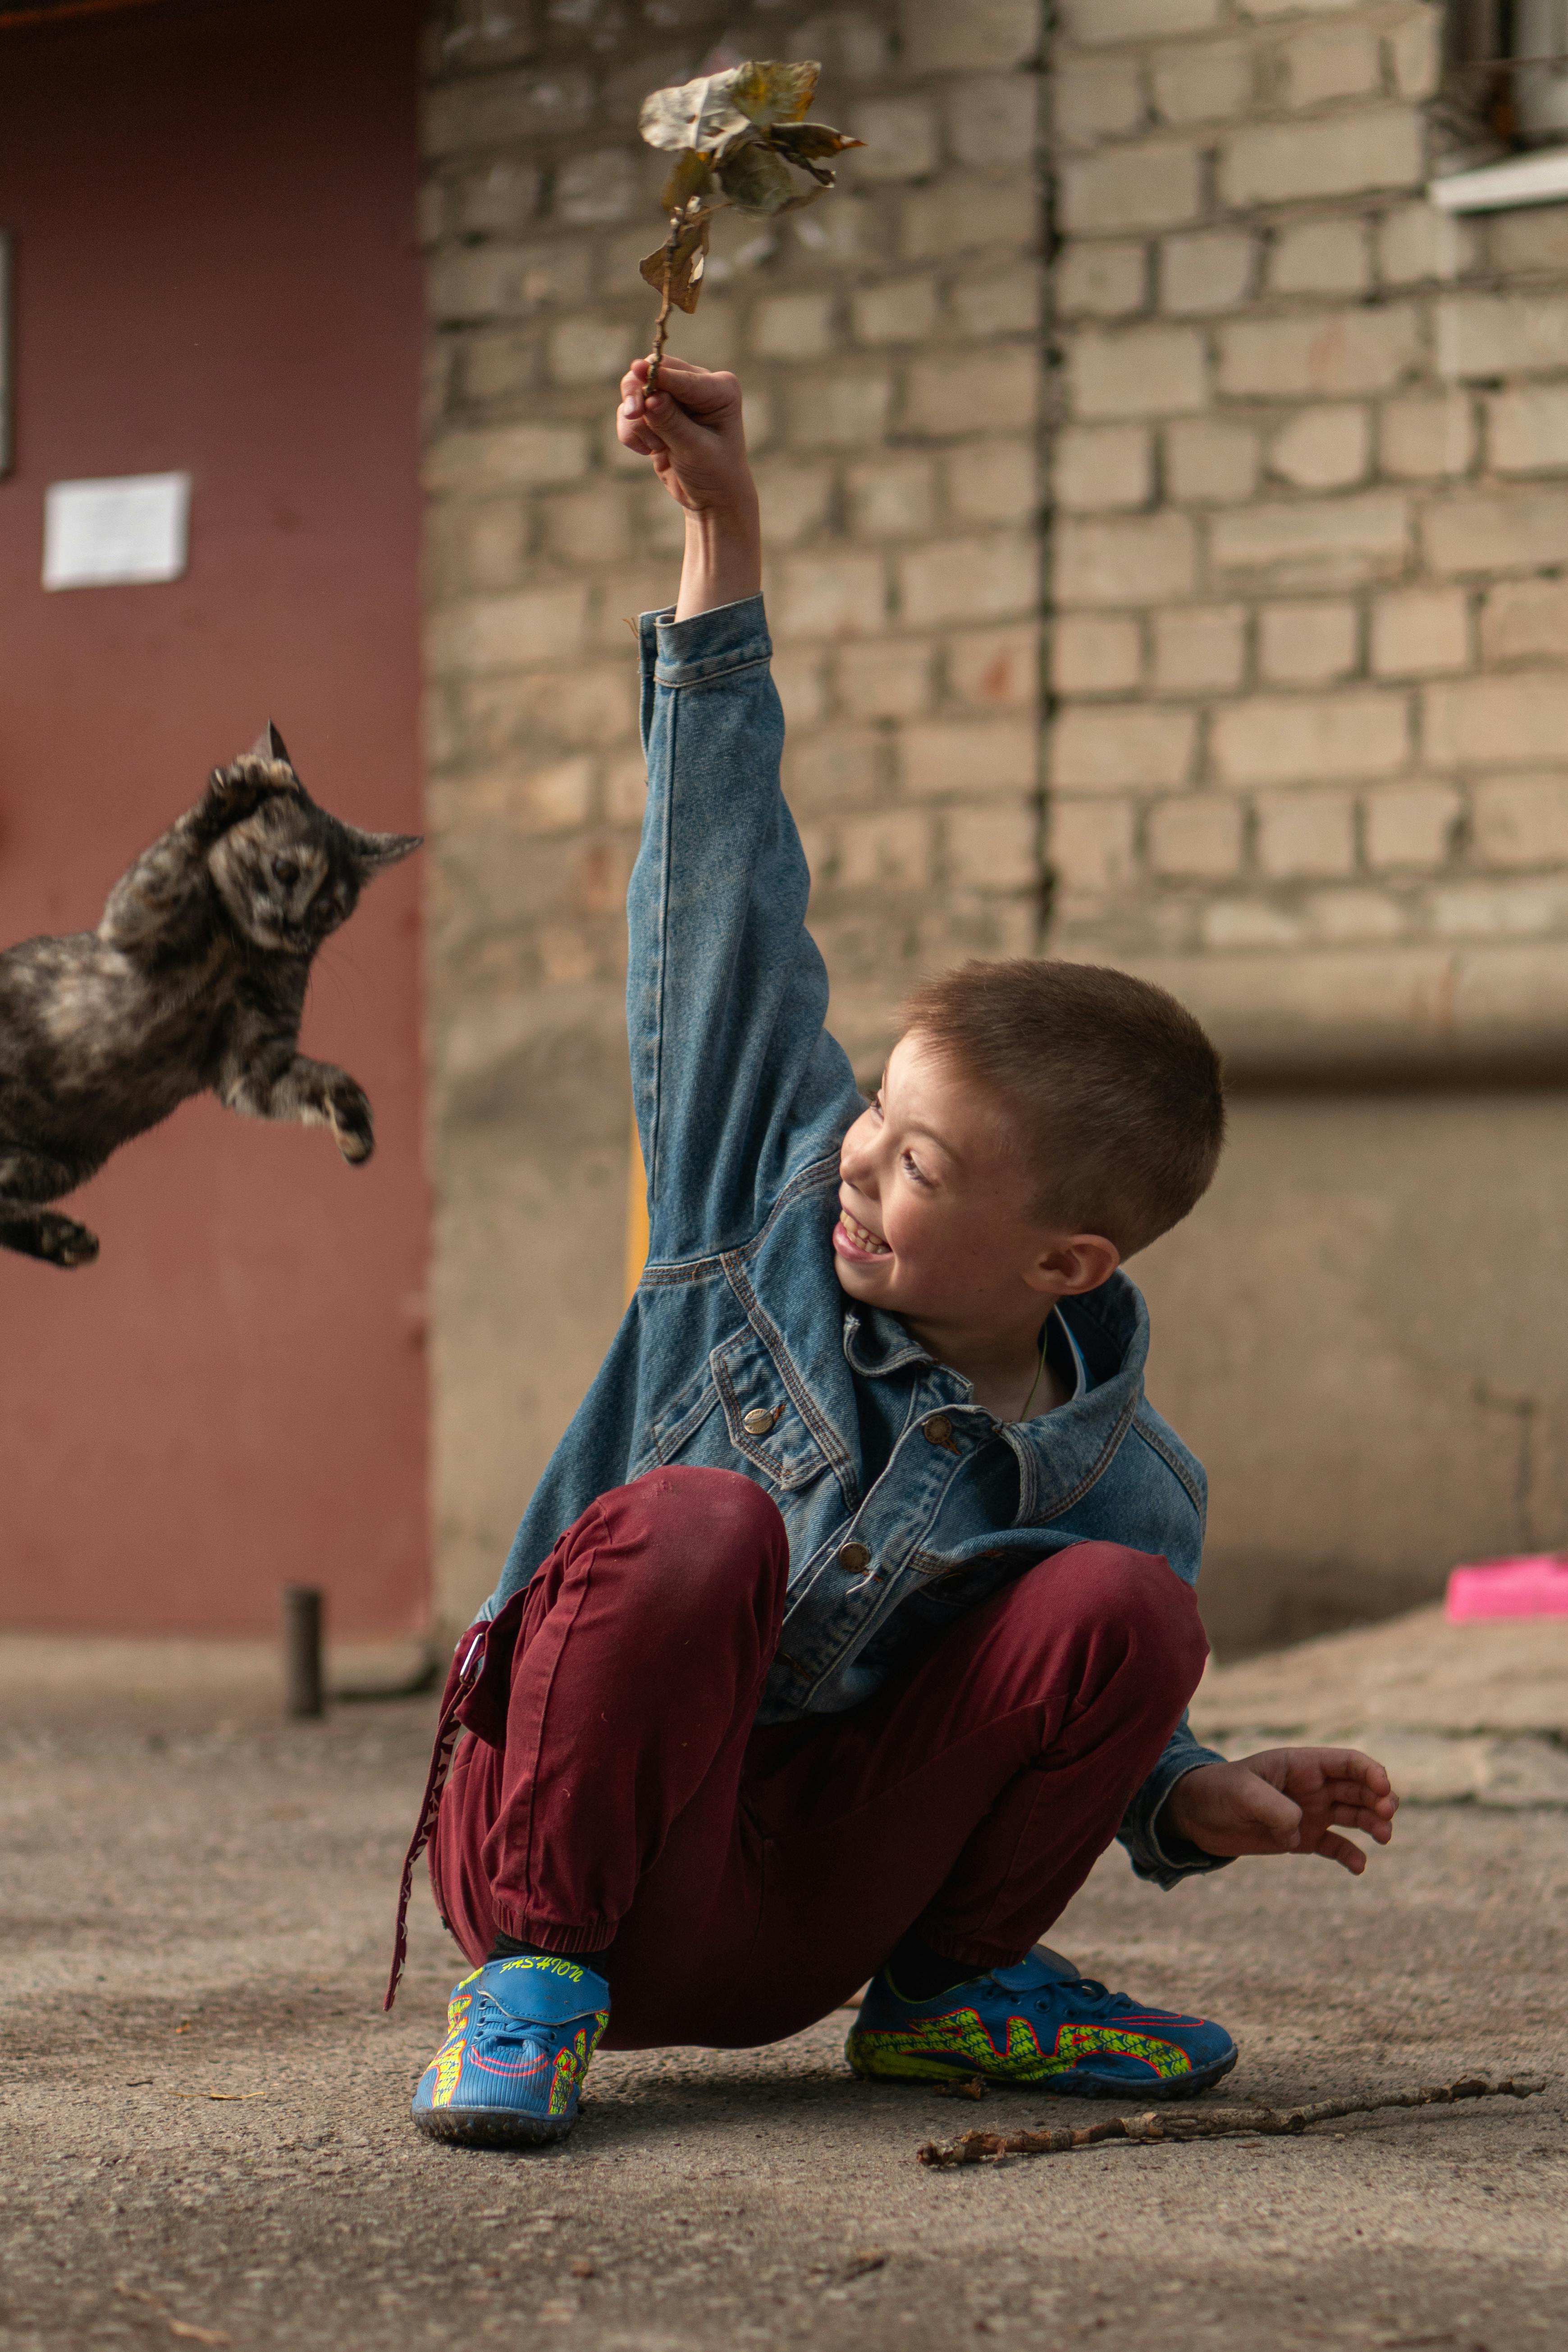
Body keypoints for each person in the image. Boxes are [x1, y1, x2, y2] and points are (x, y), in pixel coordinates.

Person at [392, 358, 1399, 2148]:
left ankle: (955, 2001)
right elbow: (719, 888)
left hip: (793, 1919)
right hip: (562, 1862)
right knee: (707, 1519)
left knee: (1126, 1610)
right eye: (876, 1114)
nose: (856, 1162)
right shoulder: (752, 1204)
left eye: (918, 1160)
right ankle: (529, 1987)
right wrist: (723, 530)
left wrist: (1196, 1796)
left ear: (1066, 1263)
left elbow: (1041, 1715)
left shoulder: (1125, 1475)